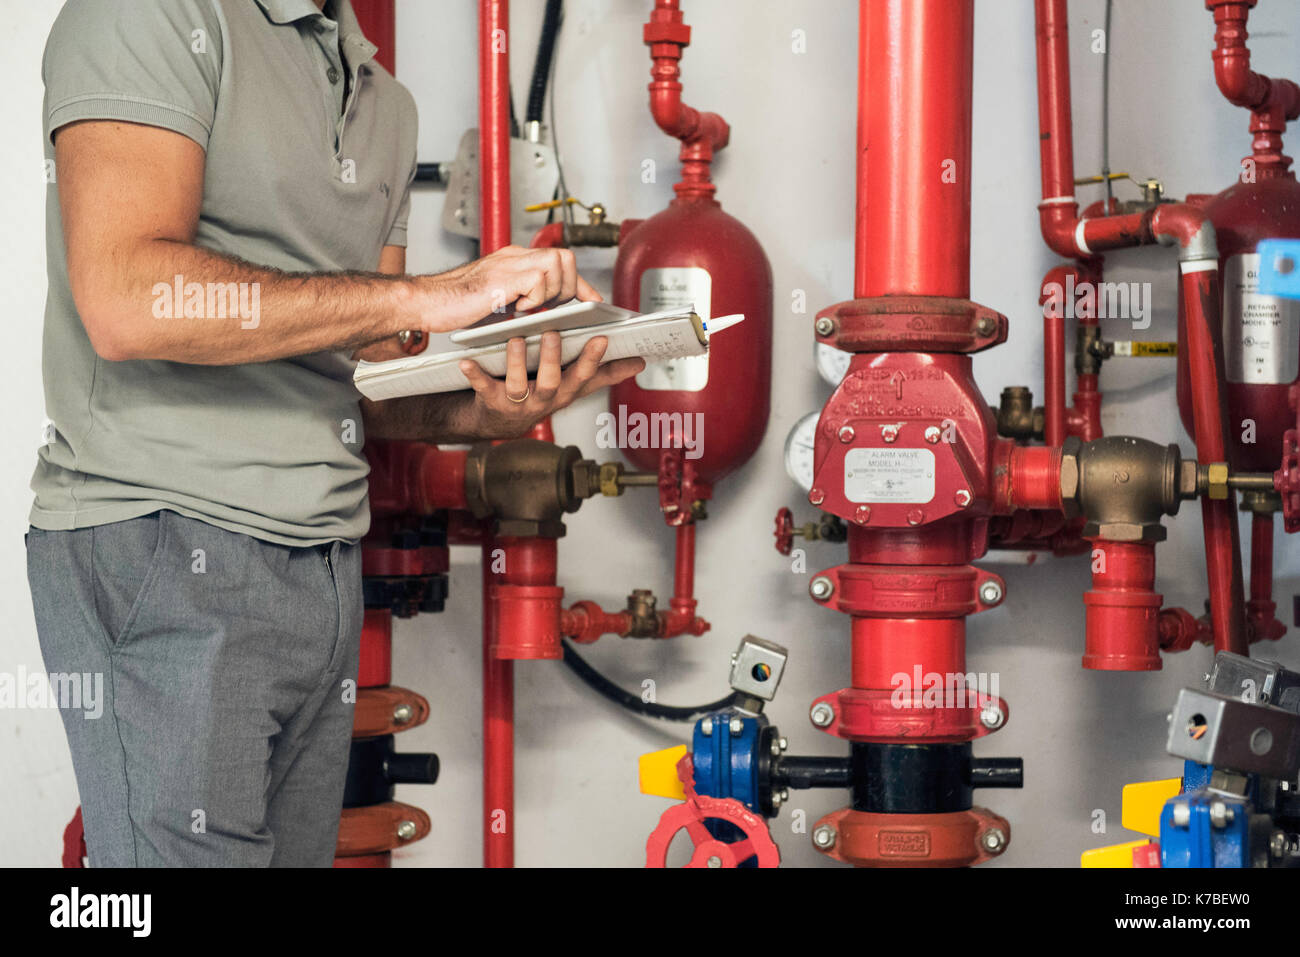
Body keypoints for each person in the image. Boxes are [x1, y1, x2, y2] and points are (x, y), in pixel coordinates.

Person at [26, 0, 643, 867]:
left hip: (322, 558)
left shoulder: (380, 97)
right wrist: (427, 296)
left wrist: (487, 411)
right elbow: (129, 300)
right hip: (168, 540)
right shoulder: (151, 14)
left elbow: (369, 371)